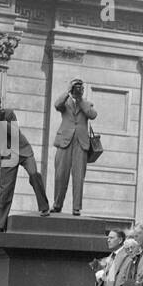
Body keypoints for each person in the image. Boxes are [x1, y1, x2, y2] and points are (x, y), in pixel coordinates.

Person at [0, 98, 51, 229]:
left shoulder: (9, 114)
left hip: (23, 150)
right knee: (5, 191)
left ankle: (44, 207)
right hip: (7, 156)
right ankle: (0, 225)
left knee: (34, 174)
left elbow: (14, 132)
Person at [51, 78, 98, 215]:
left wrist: (81, 99)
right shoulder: (65, 102)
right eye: (75, 87)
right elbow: (57, 104)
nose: (77, 90)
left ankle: (76, 207)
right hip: (65, 141)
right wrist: (68, 91)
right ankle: (57, 204)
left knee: (78, 177)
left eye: (80, 87)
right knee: (60, 175)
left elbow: (92, 115)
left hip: (81, 143)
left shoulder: (87, 104)